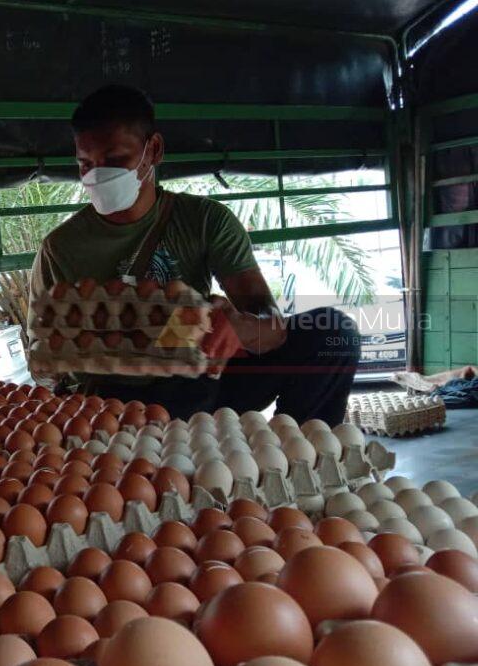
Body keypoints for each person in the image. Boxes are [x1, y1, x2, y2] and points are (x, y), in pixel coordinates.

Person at [28, 85, 360, 425]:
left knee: (332, 333)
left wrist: (236, 326)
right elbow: (43, 367)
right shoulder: (60, 248)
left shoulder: (203, 220)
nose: (98, 176)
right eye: (86, 165)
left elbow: (270, 325)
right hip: (117, 402)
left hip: (199, 380)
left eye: (115, 161)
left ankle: (304, 455)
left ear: (153, 150)